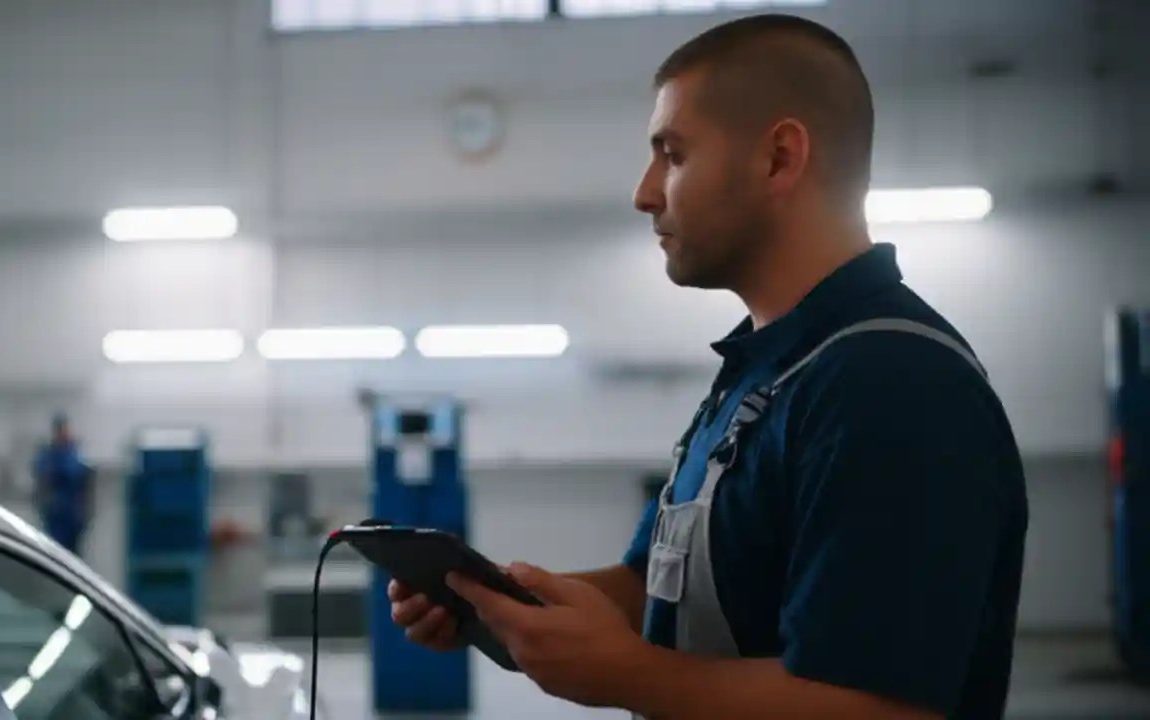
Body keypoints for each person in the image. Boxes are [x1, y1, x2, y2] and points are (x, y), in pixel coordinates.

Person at [389, 13, 1028, 719]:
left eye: (674, 154)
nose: (645, 191)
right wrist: (507, 608)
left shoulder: (893, 384)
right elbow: (656, 589)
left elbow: (880, 707)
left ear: (779, 158)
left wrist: (630, 675)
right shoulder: (765, 373)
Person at [33, 413, 95, 555]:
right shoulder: (49, 455)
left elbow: (81, 478)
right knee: (55, 553)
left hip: (73, 518)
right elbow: (43, 478)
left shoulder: (73, 453)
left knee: (73, 557)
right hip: (56, 517)